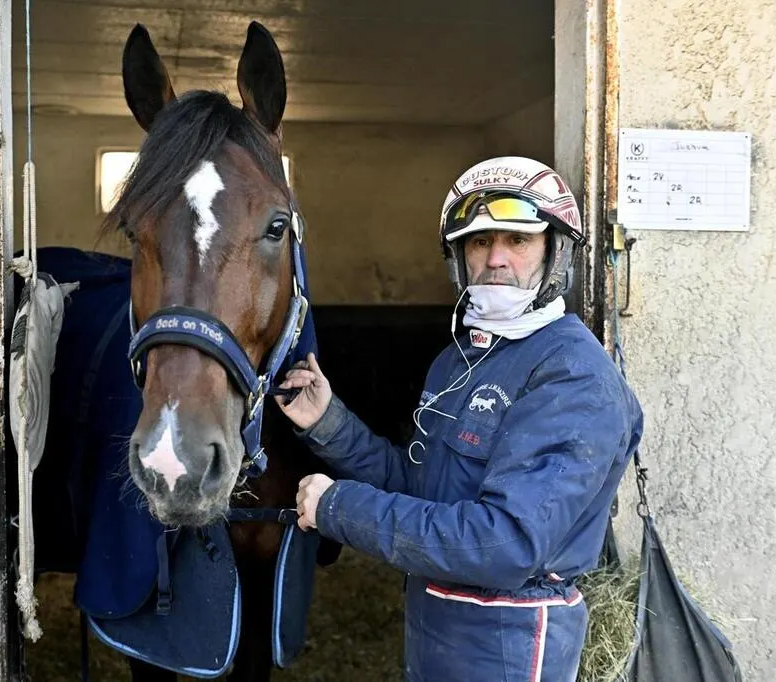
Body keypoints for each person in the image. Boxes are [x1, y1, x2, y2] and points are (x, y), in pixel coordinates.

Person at [275, 156, 644, 682]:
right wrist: (328, 423)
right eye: (478, 241)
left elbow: (504, 544)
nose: (495, 259)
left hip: (508, 643)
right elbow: (420, 489)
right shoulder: (459, 359)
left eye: (517, 241)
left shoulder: (574, 376)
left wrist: (340, 508)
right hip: (433, 629)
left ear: (555, 251)